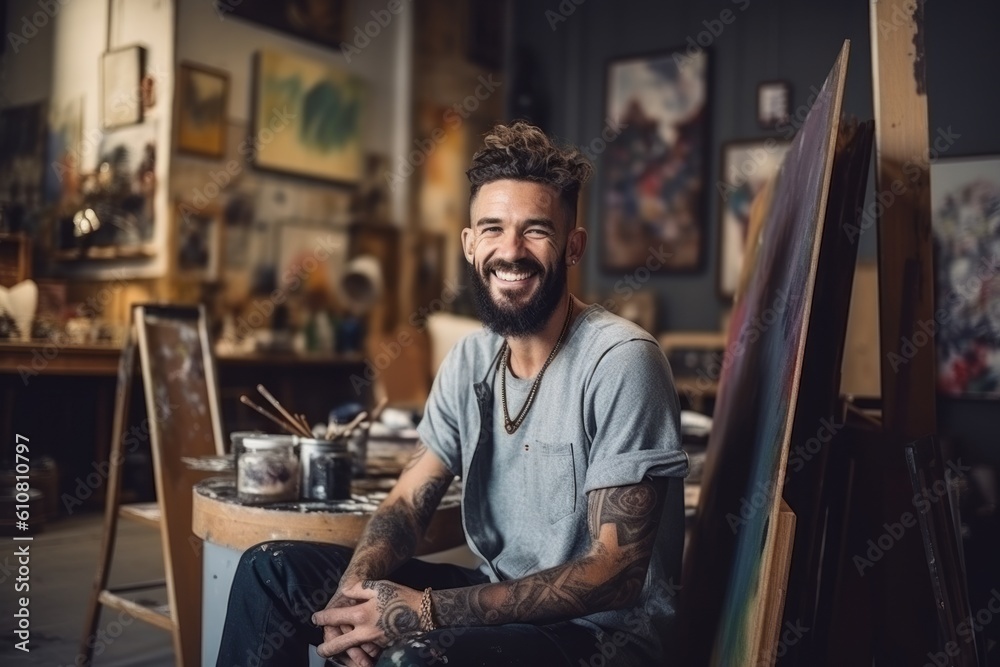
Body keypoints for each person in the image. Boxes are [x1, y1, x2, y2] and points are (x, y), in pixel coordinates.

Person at [216, 121, 688, 667]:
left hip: (600, 640)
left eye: (536, 230)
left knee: (414, 656)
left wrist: (426, 611)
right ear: (469, 244)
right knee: (270, 570)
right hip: (502, 599)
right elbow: (406, 502)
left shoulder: (621, 359)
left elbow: (616, 574)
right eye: (492, 228)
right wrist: (356, 591)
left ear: (573, 246)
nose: (510, 251)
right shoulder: (469, 359)